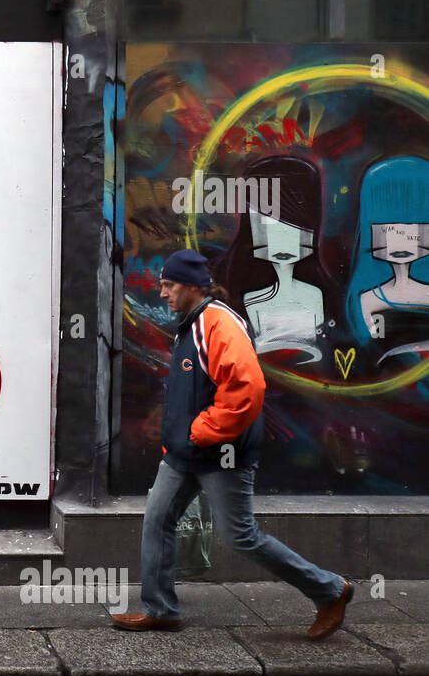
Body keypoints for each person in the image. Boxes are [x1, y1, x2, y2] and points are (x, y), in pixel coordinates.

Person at [112, 249, 353, 640]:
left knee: (241, 535)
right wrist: (179, 439)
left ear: (191, 286)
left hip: (220, 452)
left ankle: (330, 590)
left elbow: (247, 388)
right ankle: (160, 609)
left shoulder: (218, 324)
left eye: (169, 285)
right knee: (157, 520)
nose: (163, 292)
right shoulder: (192, 323)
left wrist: (204, 431)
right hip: (185, 453)